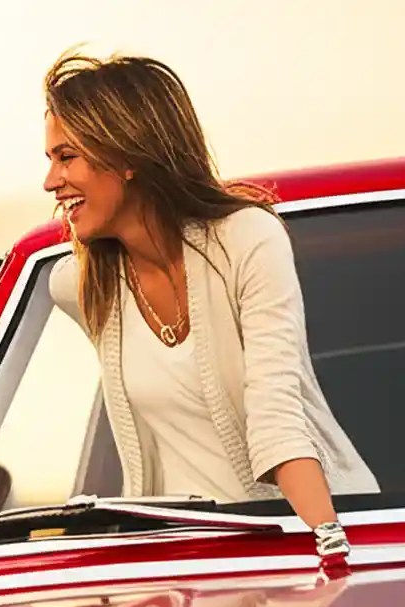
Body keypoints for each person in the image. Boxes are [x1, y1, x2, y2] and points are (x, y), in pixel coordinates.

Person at [40, 50, 377, 557]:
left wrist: (330, 545)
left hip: (302, 540)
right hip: (187, 568)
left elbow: (275, 414)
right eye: (50, 161)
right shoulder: (80, 286)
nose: (50, 181)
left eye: (67, 157)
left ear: (126, 154)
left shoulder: (245, 240)